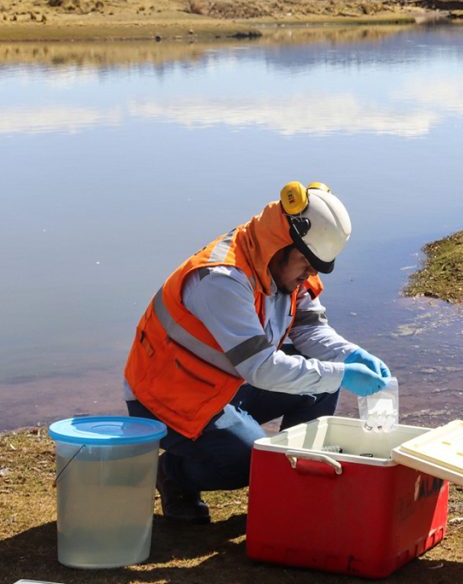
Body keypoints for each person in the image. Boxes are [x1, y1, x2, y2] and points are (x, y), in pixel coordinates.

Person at [123, 181, 390, 524]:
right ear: (283, 244)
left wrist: (350, 356)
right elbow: (262, 368)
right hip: (167, 398)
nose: (310, 273)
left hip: (224, 384)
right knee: (250, 460)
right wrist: (343, 373)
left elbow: (308, 329)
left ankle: (291, 483)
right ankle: (172, 473)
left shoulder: (285, 270)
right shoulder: (222, 278)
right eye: (307, 263)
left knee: (322, 383)